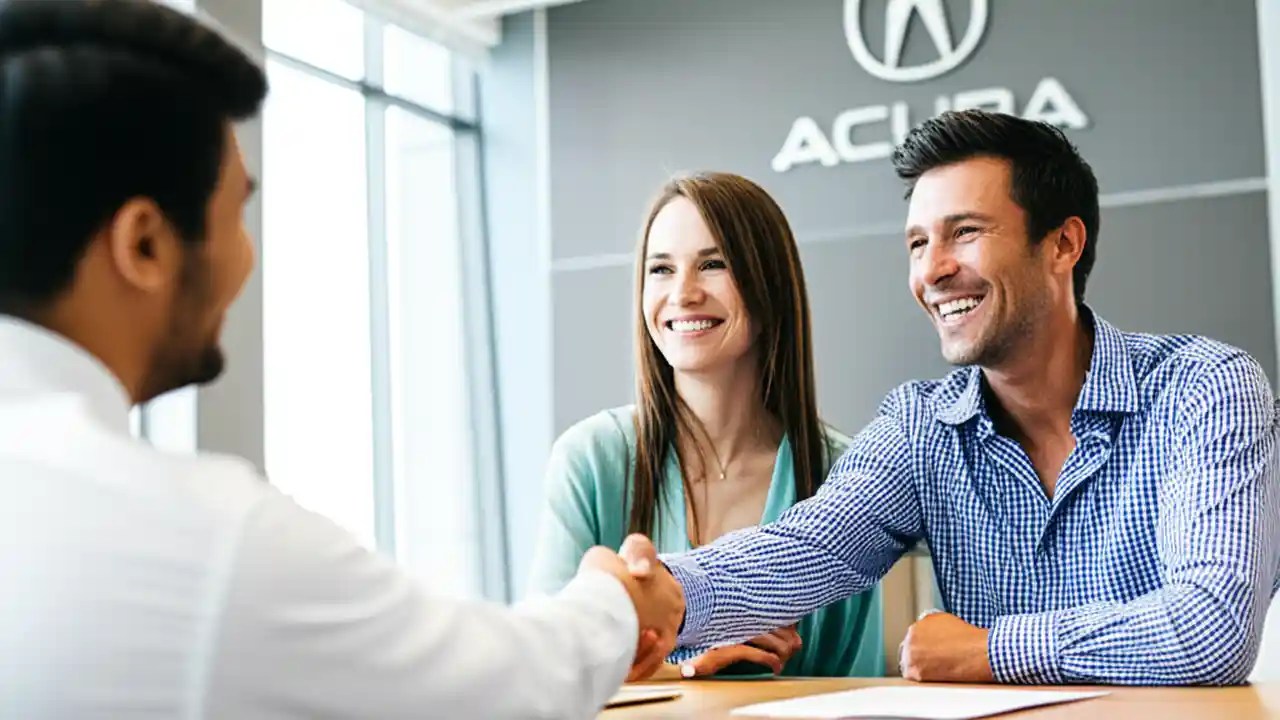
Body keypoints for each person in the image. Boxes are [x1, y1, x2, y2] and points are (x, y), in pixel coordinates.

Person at [0, 2, 680, 717]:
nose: (245, 258)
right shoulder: (206, 545)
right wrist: (616, 598)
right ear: (144, 245)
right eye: (236, 213)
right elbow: (491, 687)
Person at [628, 109, 1280, 686]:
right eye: (918, 243)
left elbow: (1210, 627)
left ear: (1063, 243)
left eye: (964, 232)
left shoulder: (1205, 387)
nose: (933, 270)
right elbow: (804, 548)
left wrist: (990, 651)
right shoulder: (919, 425)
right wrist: (664, 591)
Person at [529, 171, 884, 679]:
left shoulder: (845, 472)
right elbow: (545, 663)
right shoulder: (591, 458)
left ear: (769, 286)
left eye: (713, 264)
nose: (683, 293)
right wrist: (686, 670)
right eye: (661, 270)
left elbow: (857, 684)